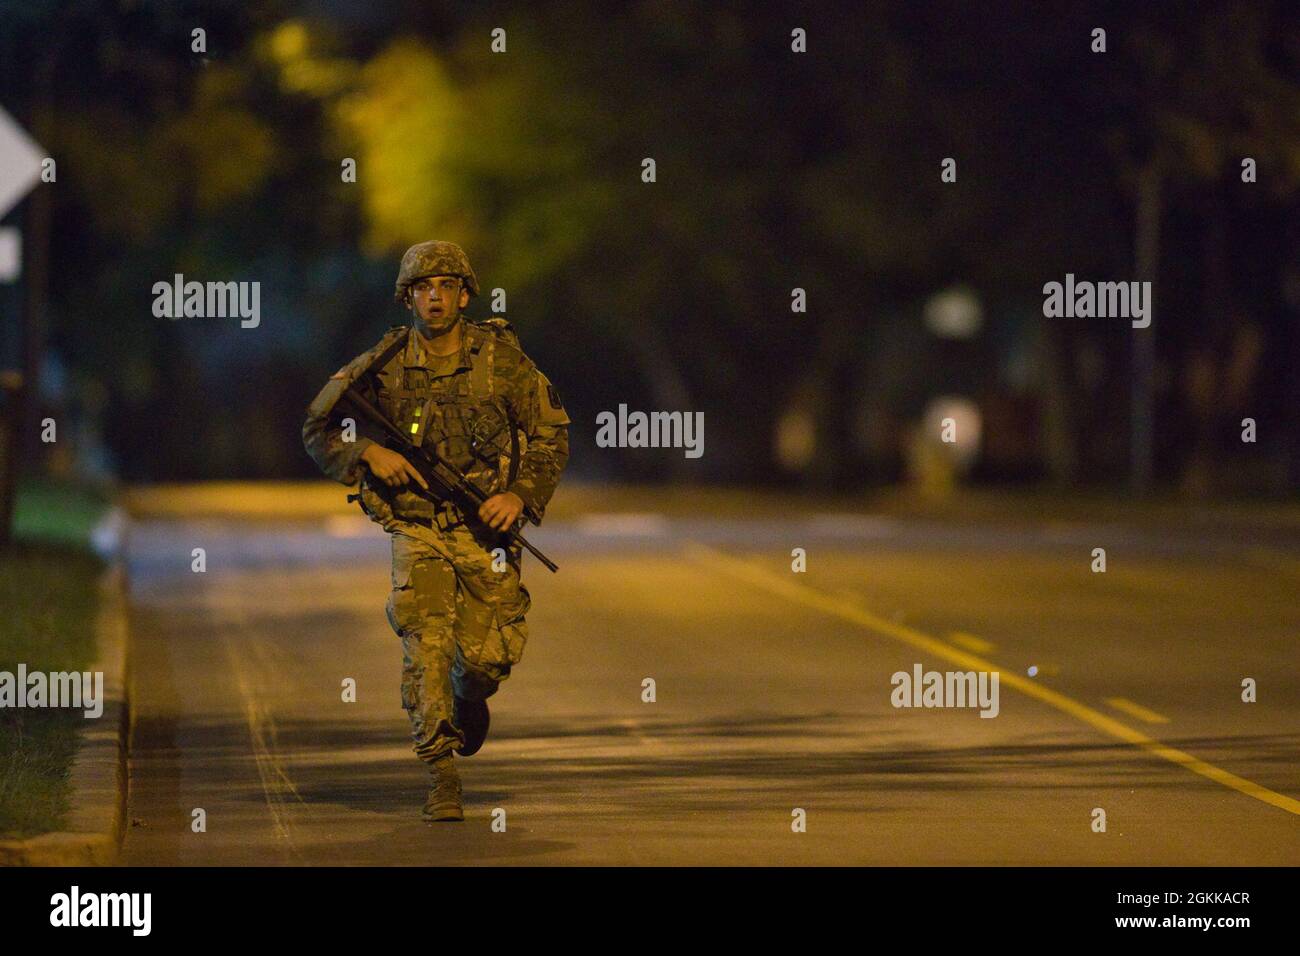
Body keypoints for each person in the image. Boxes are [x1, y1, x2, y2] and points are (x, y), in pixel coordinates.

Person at [302, 240, 570, 822]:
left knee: (483, 662)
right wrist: (368, 451)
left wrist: (518, 495)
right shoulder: (383, 362)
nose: (435, 297)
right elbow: (318, 427)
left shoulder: (501, 362)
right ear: (407, 298)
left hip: (486, 533)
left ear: (465, 294)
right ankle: (441, 774)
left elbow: (551, 435)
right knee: (425, 643)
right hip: (416, 526)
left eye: (447, 286)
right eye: (423, 288)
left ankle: (468, 699)